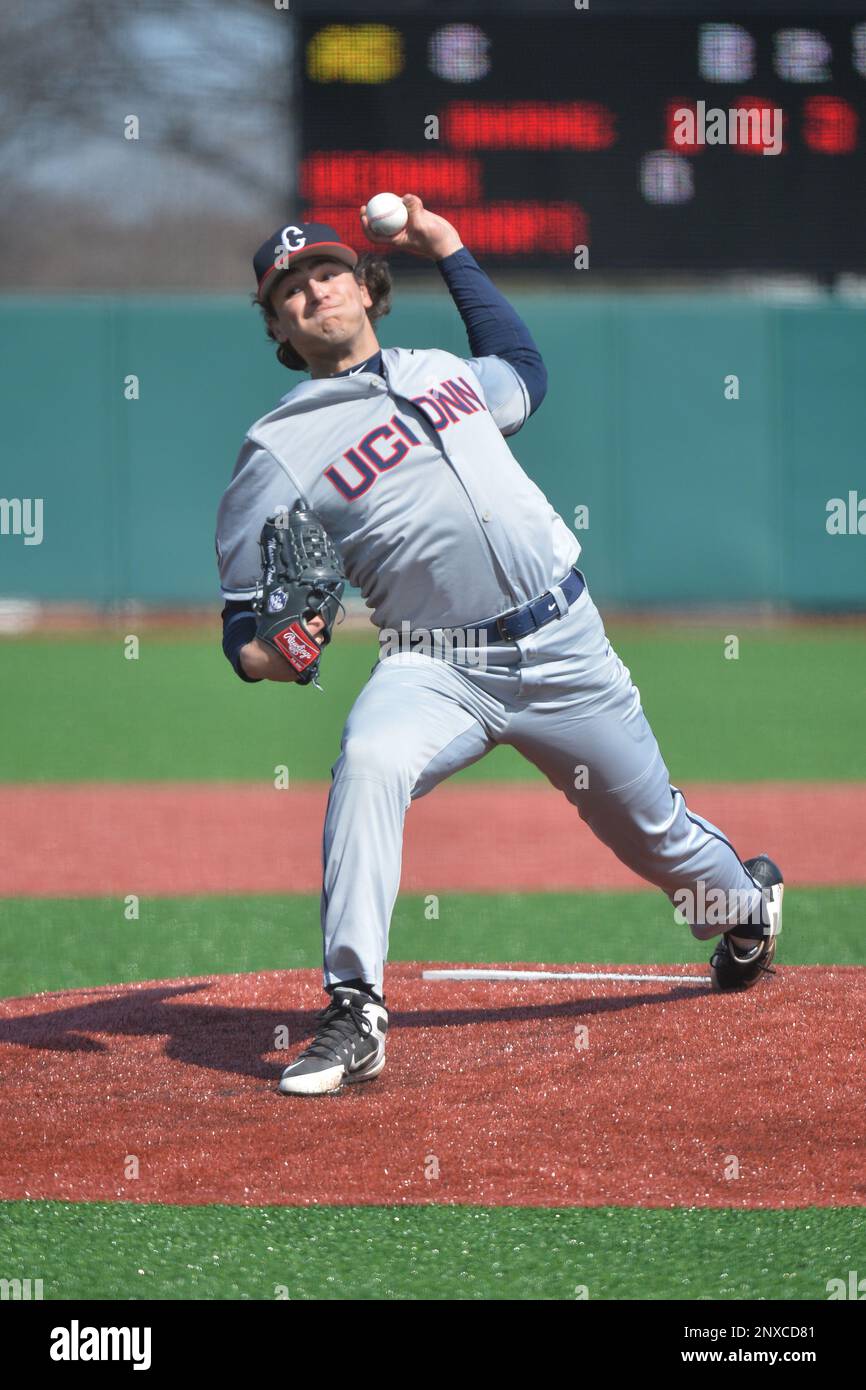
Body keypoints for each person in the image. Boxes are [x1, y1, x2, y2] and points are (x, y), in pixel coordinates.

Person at [215, 196, 783, 1098]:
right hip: (435, 666)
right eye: (287, 287)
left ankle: (748, 908)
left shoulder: (442, 369)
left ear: (365, 287)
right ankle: (354, 1008)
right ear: (279, 327)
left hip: (565, 649)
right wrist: (272, 657)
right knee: (368, 760)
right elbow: (245, 626)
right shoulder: (277, 447)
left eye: (324, 270)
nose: (310, 289)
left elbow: (523, 369)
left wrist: (448, 247)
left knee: (661, 844)